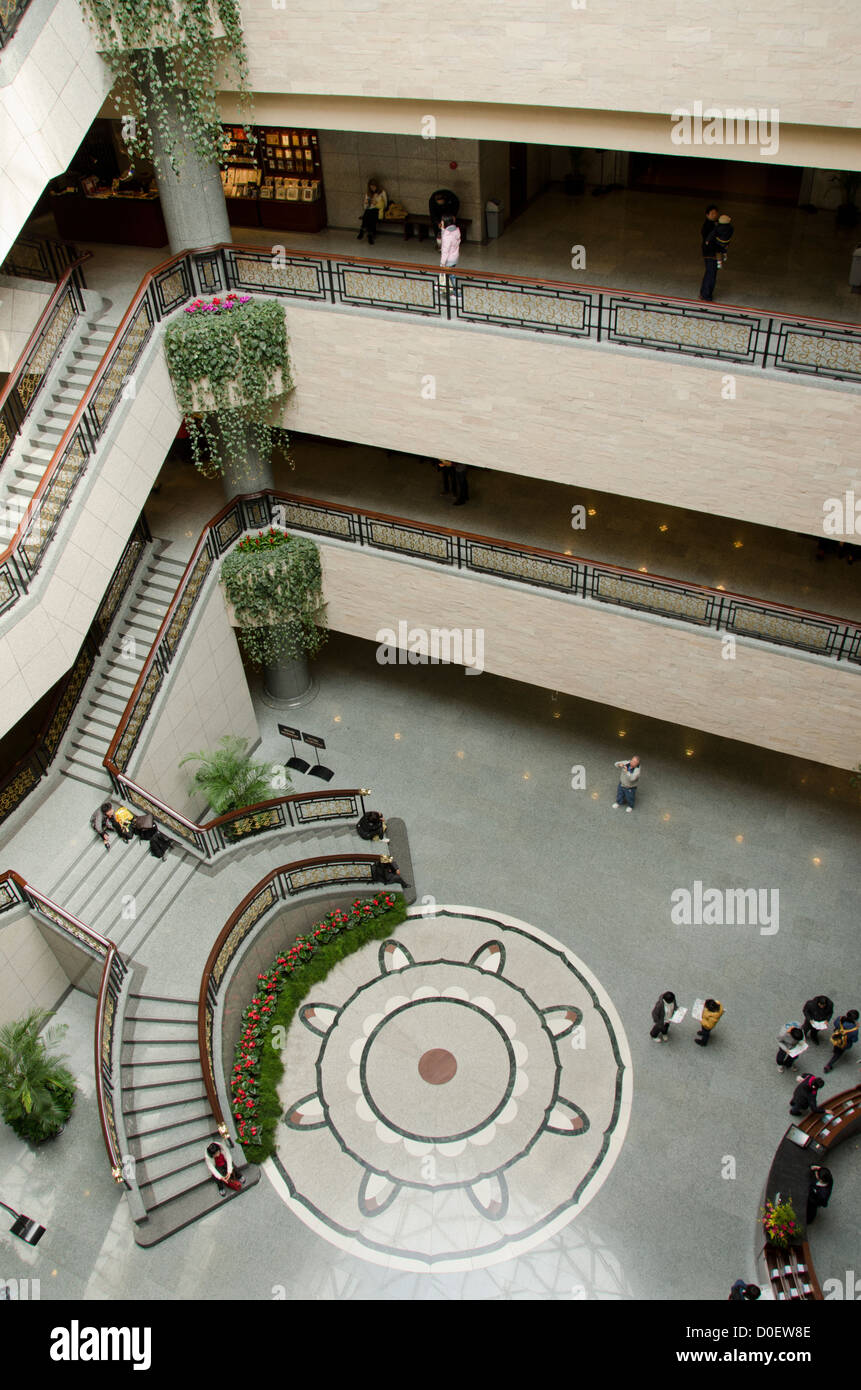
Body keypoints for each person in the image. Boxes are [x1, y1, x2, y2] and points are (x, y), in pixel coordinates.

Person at [823, 1008, 859, 1073]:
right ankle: (828, 1065)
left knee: (836, 1045)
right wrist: (856, 1027)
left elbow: (835, 1023)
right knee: (838, 1054)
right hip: (844, 1043)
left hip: (836, 1037)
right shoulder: (854, 1030)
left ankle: (835, 1049)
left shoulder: (840, 1019)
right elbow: (854, 1040)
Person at [699, 204, 720, 301]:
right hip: (710, 253)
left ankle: (705, 293)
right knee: (711, 273)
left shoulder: (715, 224)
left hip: (712, 252)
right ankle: (706, 295)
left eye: (715, 213)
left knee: (711, 273)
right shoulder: (708, 226)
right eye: (712, 214)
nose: (714, 215)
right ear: (707, 215)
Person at [357, 178, 387, 246]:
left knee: (371, 214)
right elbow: (365, 207)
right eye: (371, 187)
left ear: (377, 186)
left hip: (378, 209)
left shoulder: (382, 192)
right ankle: (369, 234)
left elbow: (385, 204)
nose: (373, 189)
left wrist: (376, 203)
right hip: (370, 209)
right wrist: (366, 203)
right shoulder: (368, 194)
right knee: (368, 212)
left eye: (374, 187)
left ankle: (363, 230)